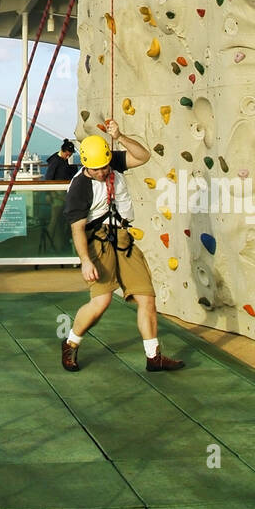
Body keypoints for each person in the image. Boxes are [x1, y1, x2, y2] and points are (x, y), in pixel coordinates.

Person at [60, 121, 184, 373]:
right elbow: (77, 229)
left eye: (106, 166)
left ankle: (154, 357)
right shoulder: (79, 188)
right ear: (86, 165)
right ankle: (71, 342)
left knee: (146, 297)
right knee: (101, 301)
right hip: (97, 241)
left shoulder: (111, 163)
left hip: (123, 238)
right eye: (96, 170)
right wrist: (85, 260)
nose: (103, 172)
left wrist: (119, 136)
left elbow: (143, 156)